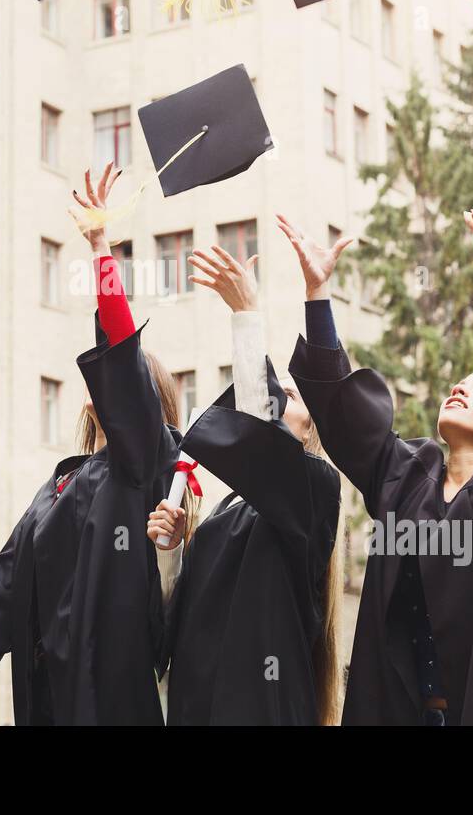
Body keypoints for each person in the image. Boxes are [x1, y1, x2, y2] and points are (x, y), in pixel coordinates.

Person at [279, 213, 473, 725]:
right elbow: (345, 414)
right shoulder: (407, 477)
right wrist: (318, 295)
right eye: (457, 382)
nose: (460, 388)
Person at [0, 164, 190, 725]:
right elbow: (5, 578)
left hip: (109, 697)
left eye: (124, 382)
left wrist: (102, 251)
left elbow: (121, 353)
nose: (99, 381)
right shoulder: (59, 484)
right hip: (46, 697)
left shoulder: (142, 461)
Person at [147, 244, 342, 725]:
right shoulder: (226, 509)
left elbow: (262, 440)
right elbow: (166, 633)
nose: (277, 399)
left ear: (311, 425)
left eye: (289, 395)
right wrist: (169, 550)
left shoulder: (315, 489)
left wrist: (246, 316)